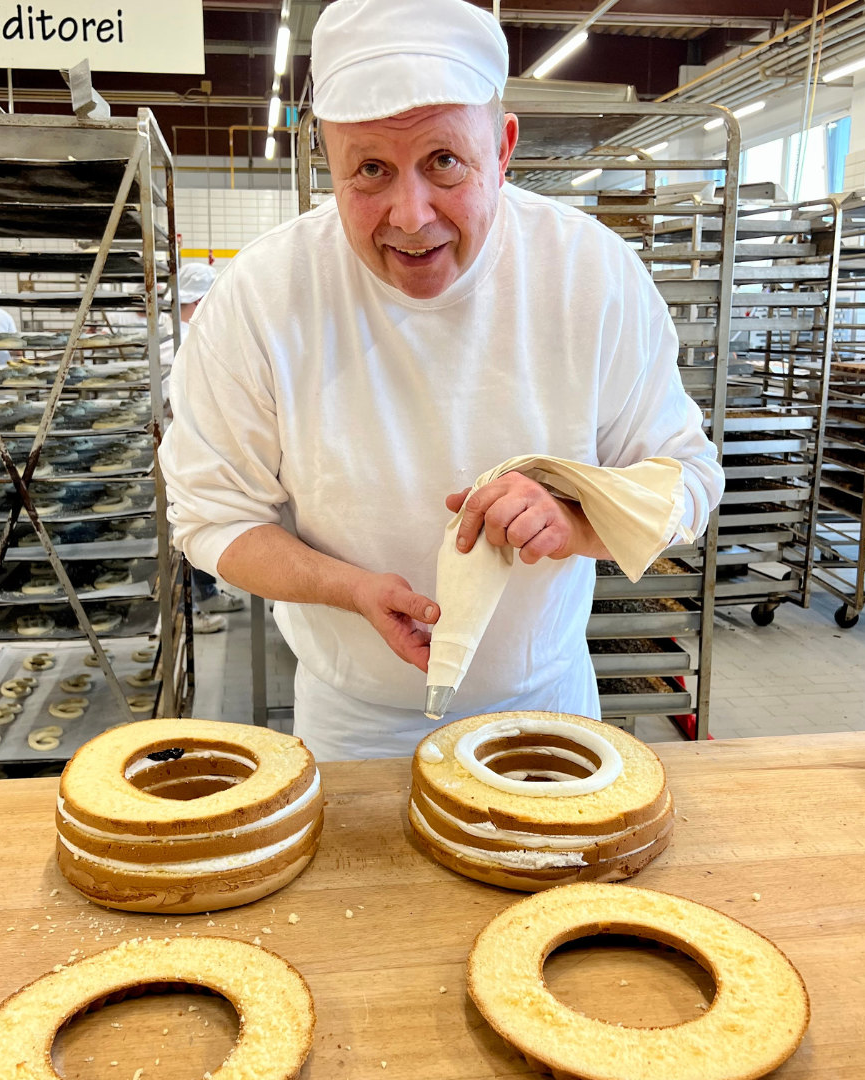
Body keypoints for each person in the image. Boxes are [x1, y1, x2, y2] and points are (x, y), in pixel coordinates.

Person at [160, 0, 724, 759]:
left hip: (542, 705)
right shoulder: (265, 296)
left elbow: (686, 480)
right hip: (356, 721)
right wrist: (350, 590)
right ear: (328, 160)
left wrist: (577, 520)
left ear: (503, 148)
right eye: (370, 170)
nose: (410, 215)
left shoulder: (589, 275)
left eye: (444, 162)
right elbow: (213, 518)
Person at [170, 262, 245, 632]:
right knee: (186, 532)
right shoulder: (190, 339)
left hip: (181, 450)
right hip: (181, 453)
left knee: (191, 528)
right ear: (201, 301)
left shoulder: (174, 333)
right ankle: (188, 608)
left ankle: (203, 595)